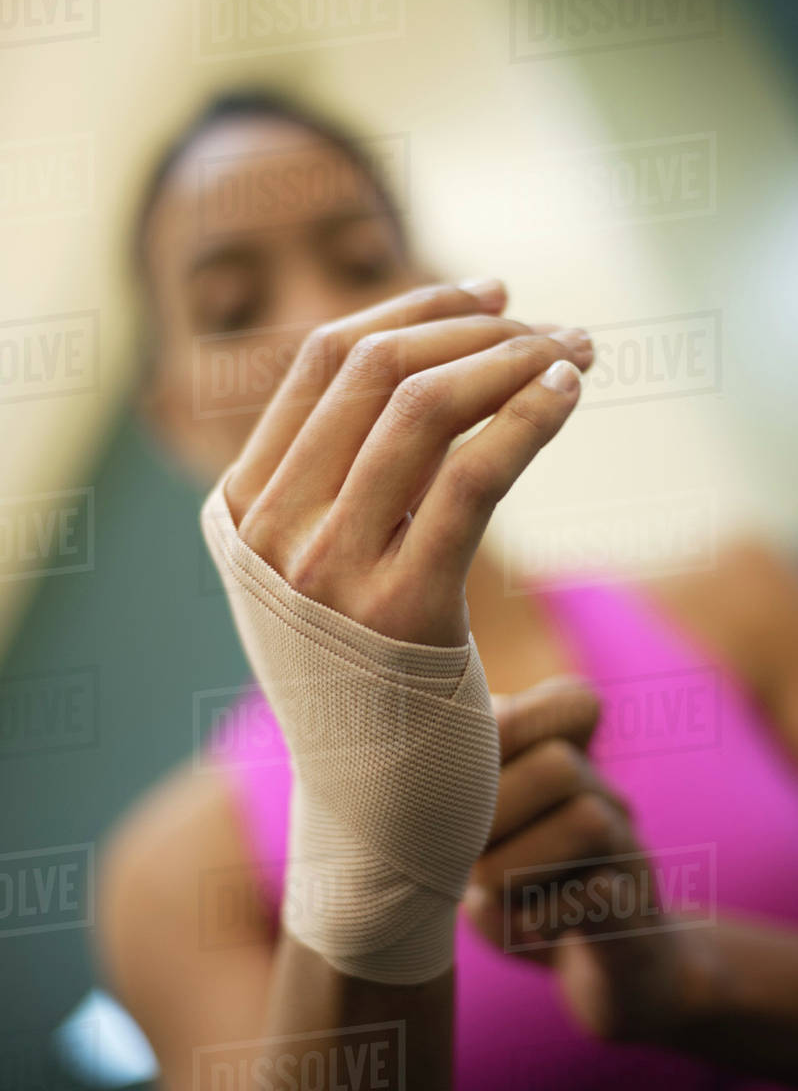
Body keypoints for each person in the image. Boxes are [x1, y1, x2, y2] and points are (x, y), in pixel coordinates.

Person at [98, 90, 798, 1090]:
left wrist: (688, 976)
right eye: (232, 308)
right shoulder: (167, 876)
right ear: (171, 415)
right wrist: (369, 862)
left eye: (363, 262)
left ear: (447, 295)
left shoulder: (741, 602)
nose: (323, 327)